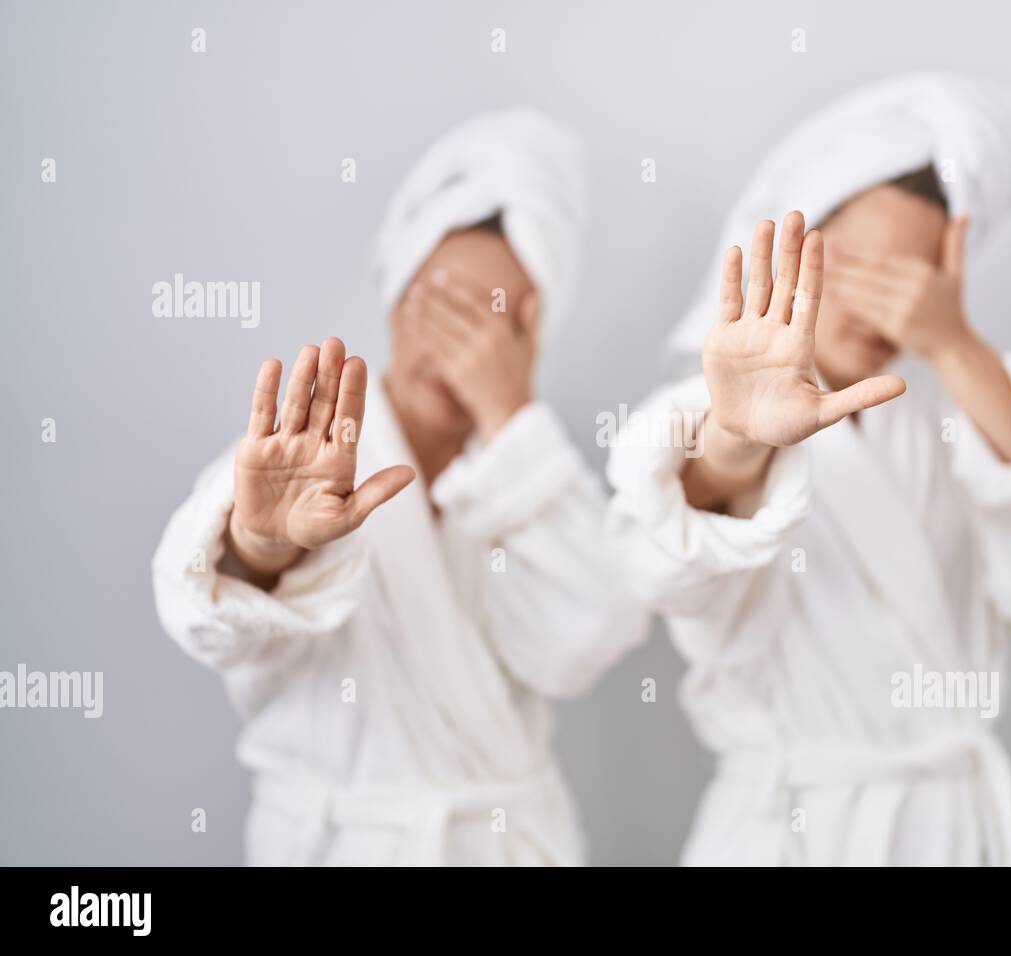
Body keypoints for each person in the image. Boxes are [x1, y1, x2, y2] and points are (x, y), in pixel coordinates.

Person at [606, 74, 1011, 865]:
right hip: (796, 831)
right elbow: (669, 565)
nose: (887, 309)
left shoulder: (953, 407)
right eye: (860, 269)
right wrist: (737, 436)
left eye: (916, 283)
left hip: (956, 826)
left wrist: (954, 344)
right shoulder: (696, 414)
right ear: (789, 250)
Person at [152, 109, 645, 865]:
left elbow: (589, 642)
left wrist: (511, 416)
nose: (463, 344)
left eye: (498, 320)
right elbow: (202, 616)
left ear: (534, 336)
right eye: (441, 306)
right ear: (395, 297)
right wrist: (261, 546)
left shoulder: (536, 481)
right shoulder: (296, 453)